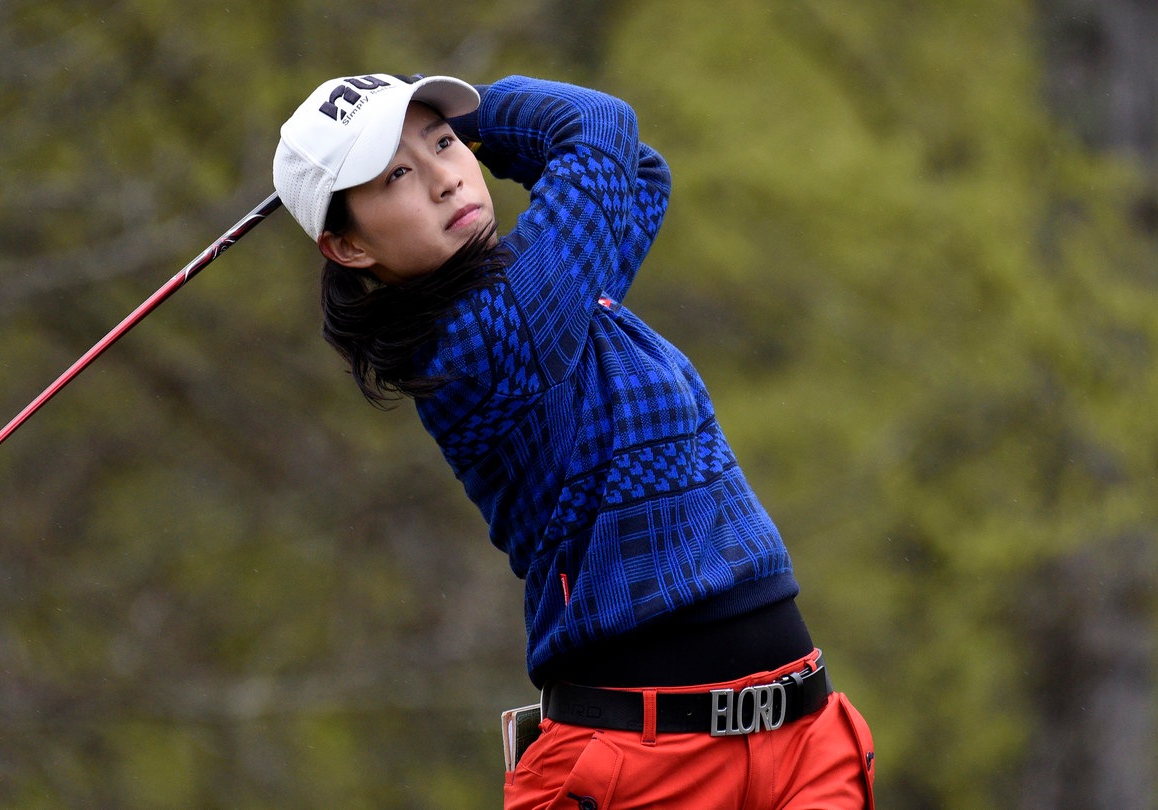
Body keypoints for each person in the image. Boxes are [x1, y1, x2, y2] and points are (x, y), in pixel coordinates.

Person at [273, 72, 876, 809]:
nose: (443, 178)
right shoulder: (474, 345)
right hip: (639, 772)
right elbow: (600, 129)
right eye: (397, 174)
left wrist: (426, 117)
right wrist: (479, 109)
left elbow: (639, 172)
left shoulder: (558, 299)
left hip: (803, 742)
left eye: (444, 143)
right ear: (347, 246)